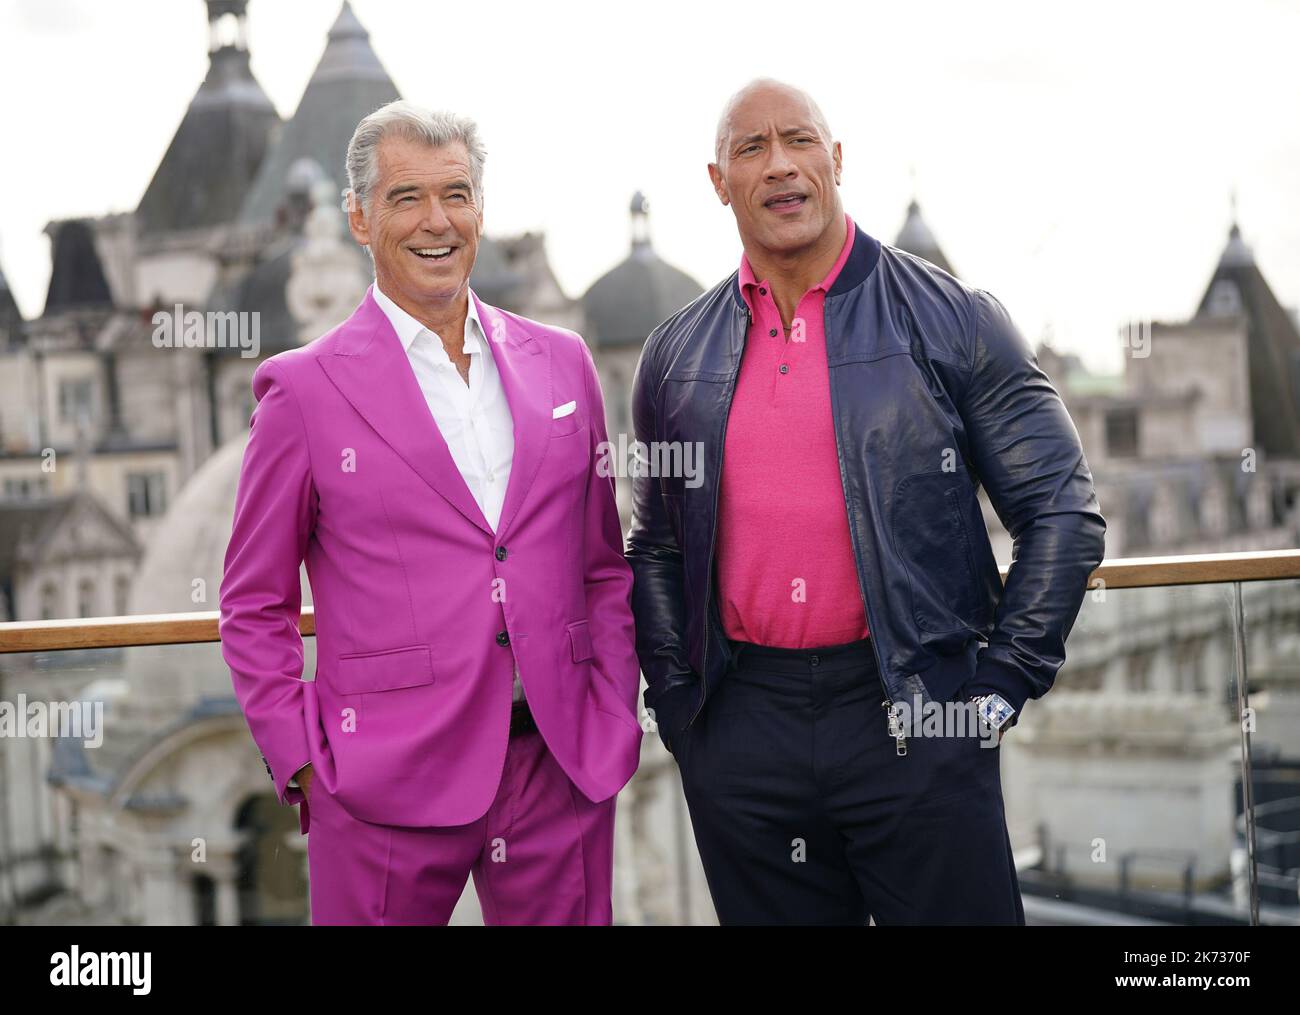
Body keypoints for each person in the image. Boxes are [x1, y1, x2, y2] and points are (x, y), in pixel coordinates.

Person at [626, 78, 1106, 925]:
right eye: (752, 148)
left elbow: (1063, 511)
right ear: (718, 181)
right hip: (745, 727)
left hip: (919, 711)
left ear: (836, 159)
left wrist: (999, 688)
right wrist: (682, 713)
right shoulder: (673, 352)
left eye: (800, 140)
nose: (781, 165)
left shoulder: (954, 317)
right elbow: (656, 546)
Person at [219, 100, 640, 925]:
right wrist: (304, 763)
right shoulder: (302, 391)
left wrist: (612, 706)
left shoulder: (563, 363)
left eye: (456, 194)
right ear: (359, 218)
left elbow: (601, 565)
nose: (436, 221)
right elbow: (252, 603)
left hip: (558, 765)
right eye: (406, 197)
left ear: (480, 209)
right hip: (382, 784)